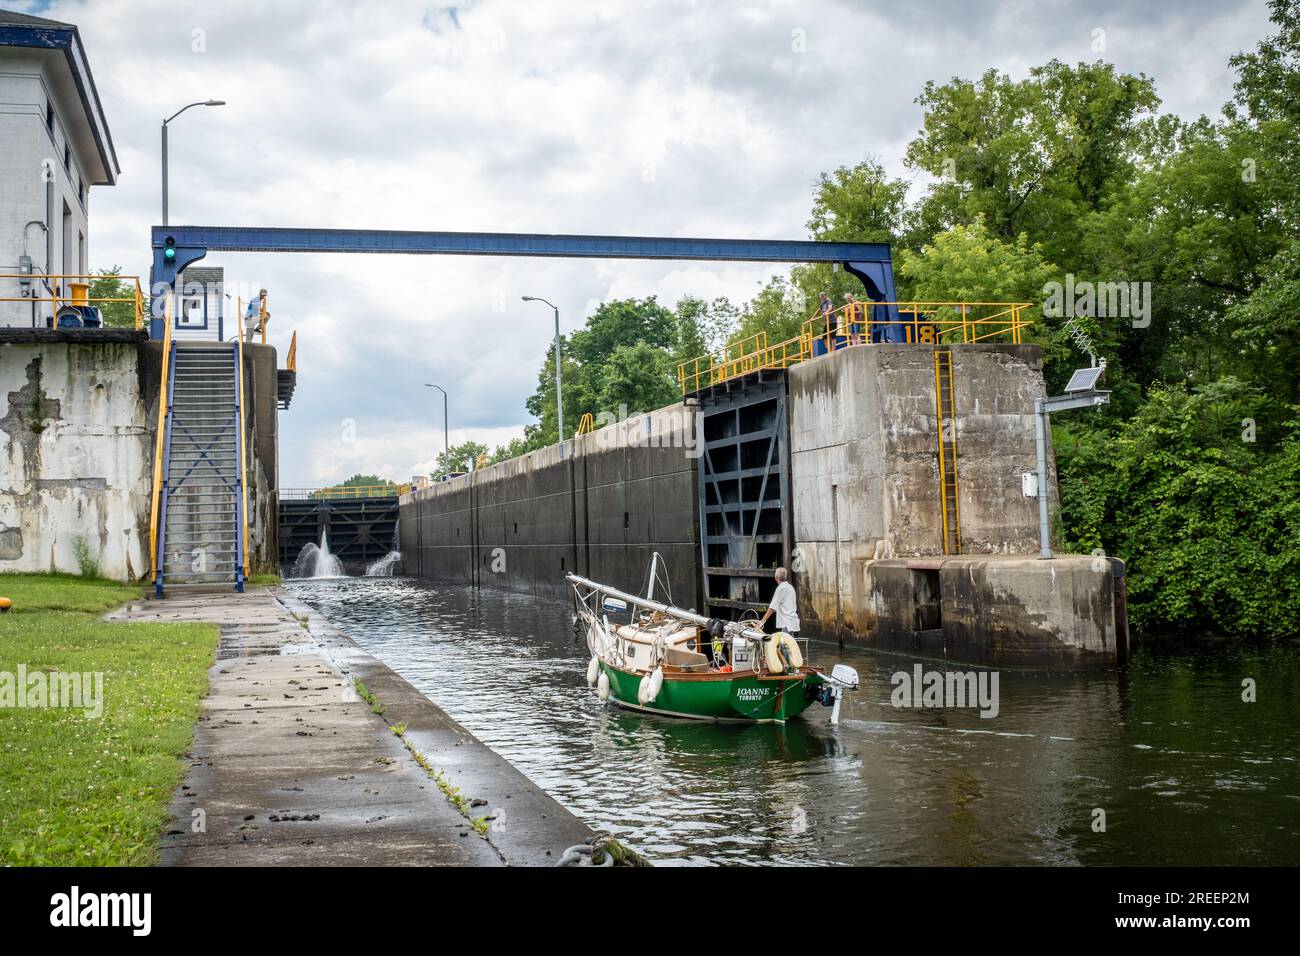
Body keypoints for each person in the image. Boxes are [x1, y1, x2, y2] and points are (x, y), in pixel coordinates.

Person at [758, 566, 799, 640]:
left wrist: (762, 621)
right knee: (791, 646)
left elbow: (772, 608)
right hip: (794, 622)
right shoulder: (791, 587)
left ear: (776, 577)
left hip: (787, 624)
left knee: (784, 647)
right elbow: (784, 605)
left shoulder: (780, 589)